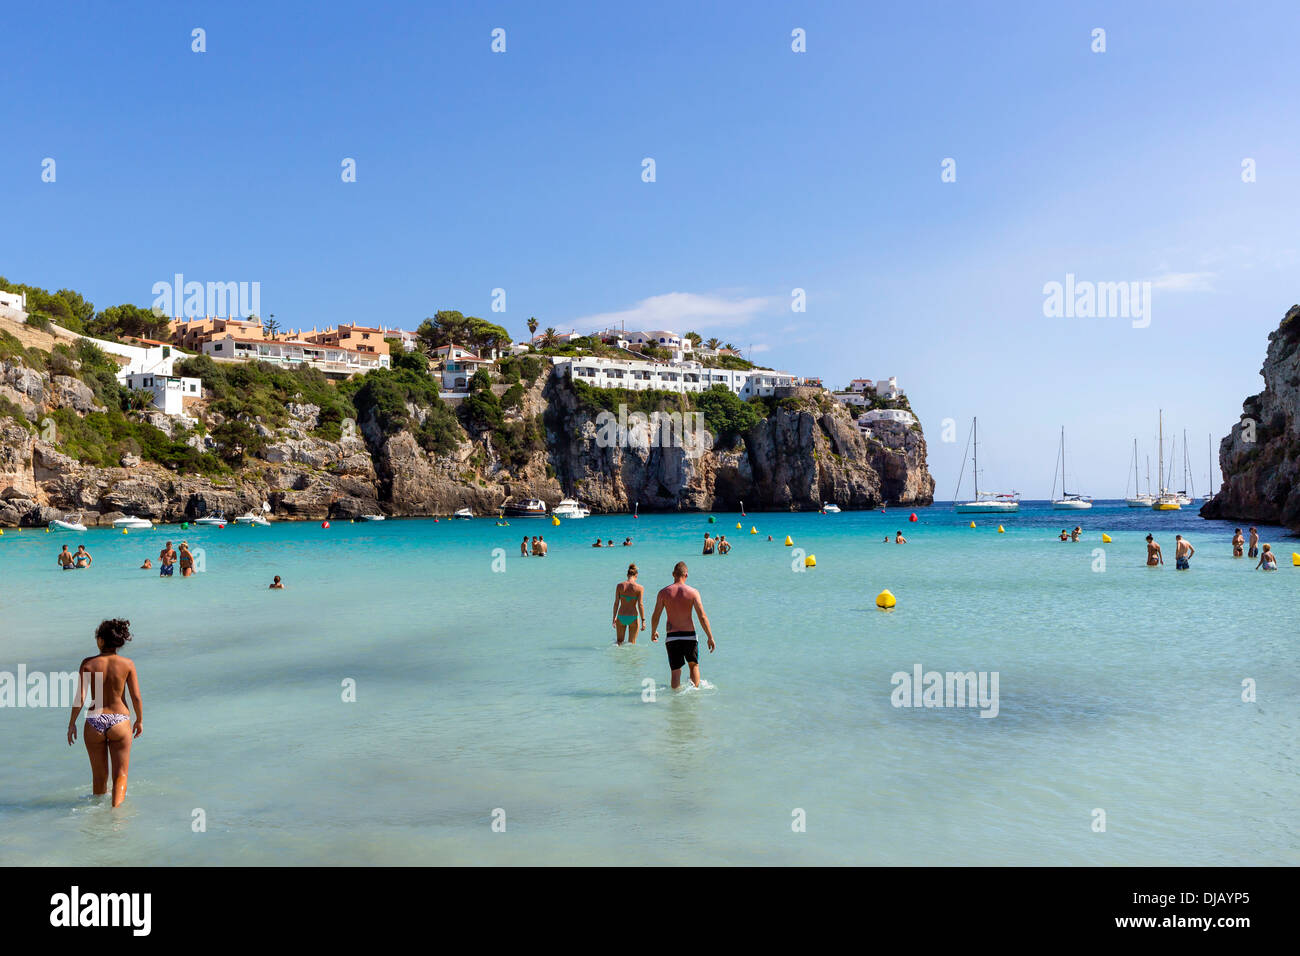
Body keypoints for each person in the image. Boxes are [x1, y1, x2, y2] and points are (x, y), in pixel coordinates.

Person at [66, 619, 142, 808]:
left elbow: (80, 698)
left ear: (100, 640)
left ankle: (98, 818)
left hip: (94, 721)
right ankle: (116, 817)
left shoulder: (88, 663)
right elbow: (136, 697)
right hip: (120, 720)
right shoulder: (127, 664)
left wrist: (72, 723)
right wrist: (139, 720)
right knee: (120, 775)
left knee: (99, 777)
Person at [650, 562, 716, 689]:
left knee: (675, 671)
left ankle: (676, 701)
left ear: (673, 574)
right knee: (694, 665)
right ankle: (694, 696)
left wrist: (653, 631)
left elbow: (656, 615)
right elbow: (702, 616)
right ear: (686, 575)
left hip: (672, 636)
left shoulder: (663, 593)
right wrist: (710, 636)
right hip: (689, 636)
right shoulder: (693, 592)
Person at [611, 563, 646, 645]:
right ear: (636, 575)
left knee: (619, 643)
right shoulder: (639, 588)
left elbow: (616, 603)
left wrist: (614, 618)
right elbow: (640, 605)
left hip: (621, 616)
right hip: (633, 617)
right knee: (631, 644)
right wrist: (643, 620)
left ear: (627, 574)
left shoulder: (619, 586)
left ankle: (619, 657)